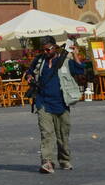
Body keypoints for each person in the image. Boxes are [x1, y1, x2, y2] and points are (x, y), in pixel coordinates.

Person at [25, 36, 93, 173]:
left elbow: (80, 70)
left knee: (63, 135)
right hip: (43, 102)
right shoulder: (39, 60)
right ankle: (47, 162)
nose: (45, 52)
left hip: (62, 102)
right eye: (43, 50)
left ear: (54, 47)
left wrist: (75, 54)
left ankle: (64, 160)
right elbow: (29, 71)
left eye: (48, 49)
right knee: (47, 133)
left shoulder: (65, 61)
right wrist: (29, 77)